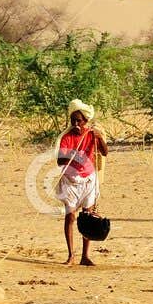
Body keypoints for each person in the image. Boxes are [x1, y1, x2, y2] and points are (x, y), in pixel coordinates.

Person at [57, 99, 109, 267]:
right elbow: (60, 160)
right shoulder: (67, 137)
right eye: (73, 120)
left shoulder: (91, 135)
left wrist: (99, 137)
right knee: (70, 216)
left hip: (88, 179)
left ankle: (85, 256)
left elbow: (104, 152)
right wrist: (73, 154)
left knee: (87, 218)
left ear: (85, 121)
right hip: (71, 181)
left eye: (79, 120)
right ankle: (71, 255)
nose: (75, 123)